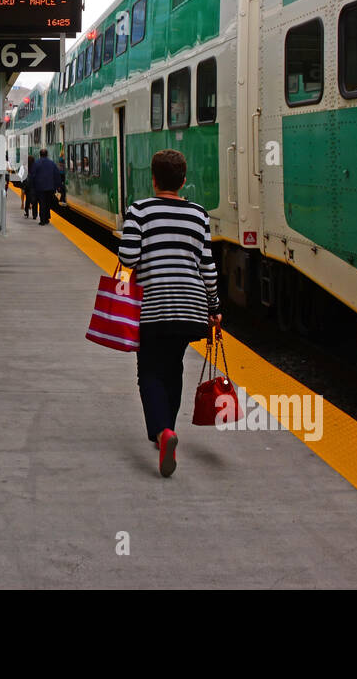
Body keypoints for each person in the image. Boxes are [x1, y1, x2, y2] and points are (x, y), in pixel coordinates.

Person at [116, 148, 222, 479]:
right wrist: (215, 307)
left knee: (148, 370)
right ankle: (167, 430)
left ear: (154, 179)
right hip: (190, 305)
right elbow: (207, 265)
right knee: (173, 366)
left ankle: (163, 433)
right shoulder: (199, 214)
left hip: (153, 305)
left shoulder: (140, 210)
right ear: (183, 181)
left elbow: (128, 258)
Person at [30, 148, 62, 225]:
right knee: (48, 203)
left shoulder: (36, 163)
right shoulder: (52, 163)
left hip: (40, 188)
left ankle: (42, 220)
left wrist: (32, 186)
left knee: (42, 203)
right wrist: (58, 186)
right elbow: (57, 175)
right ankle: (47, 218)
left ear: (40, 155)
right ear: (47, 155)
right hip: (50, 187)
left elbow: (32, 176)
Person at [22, 155, 37, 219]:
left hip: (27, 186)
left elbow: (22, 177)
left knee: (27, 199)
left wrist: (23, 187)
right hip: (34, 186)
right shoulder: (36, 167)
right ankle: (34, 214)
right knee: (35, 200)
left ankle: (26, 212)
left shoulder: (25, 167)